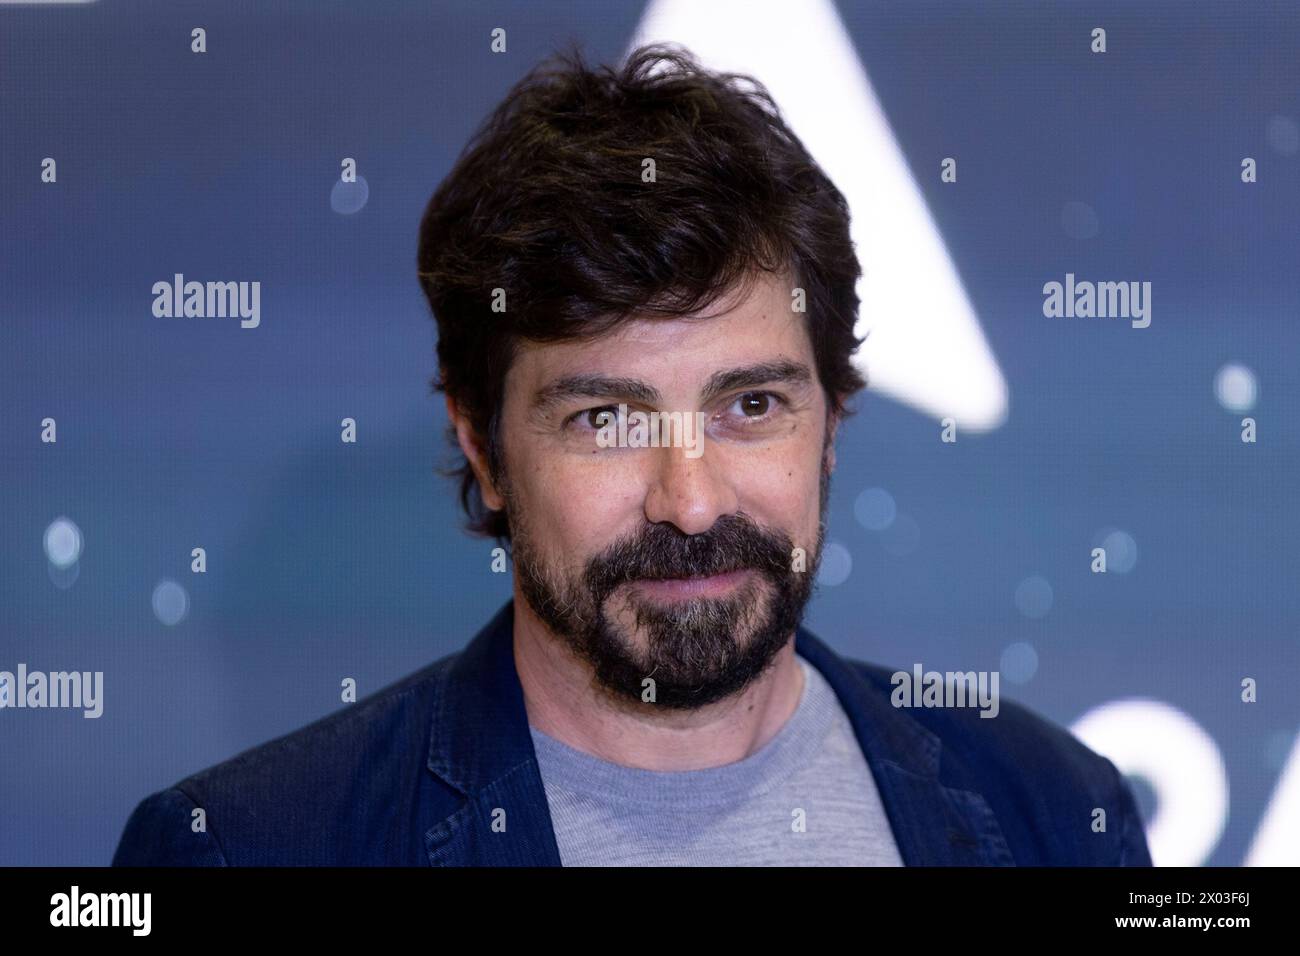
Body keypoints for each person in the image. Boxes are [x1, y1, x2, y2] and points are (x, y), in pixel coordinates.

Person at [112, 42, 1152, 867]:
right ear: (481, 443)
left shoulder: (1054, 811)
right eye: (605, 418)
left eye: (750, 404)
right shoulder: (246, 848)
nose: (690, 501)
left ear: (830, 421)